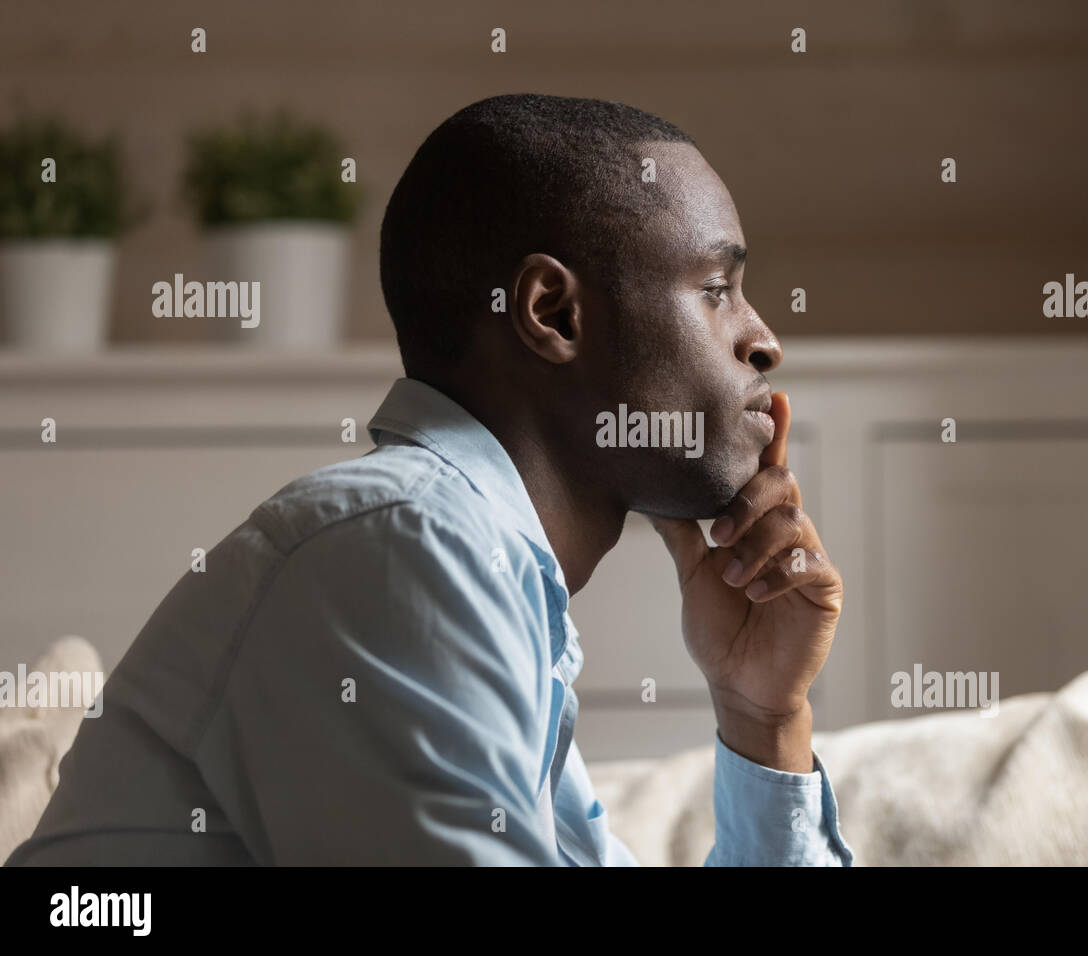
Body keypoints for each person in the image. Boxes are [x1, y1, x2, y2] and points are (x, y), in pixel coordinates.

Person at [6, 93, 853, 866]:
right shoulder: (408, 542)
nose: (764, 339)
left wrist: (761, 719)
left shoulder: (483, 581)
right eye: (716, 288)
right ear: (552, 313)